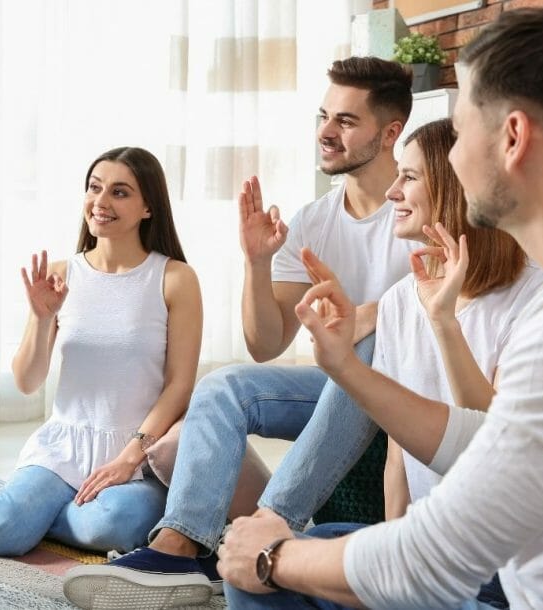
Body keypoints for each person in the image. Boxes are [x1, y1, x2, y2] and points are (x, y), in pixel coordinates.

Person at [218, 5, 543, 608]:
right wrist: (345, 366)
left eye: (458, 131)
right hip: (512, 575)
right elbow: (489, 443)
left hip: (511, 590)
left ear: (512, 138)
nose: (450, 160)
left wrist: (274, 554)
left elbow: (435, 561)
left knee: (264, 574)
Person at [63, 56, 416, 610]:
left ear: (390, 132)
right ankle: (181, 549)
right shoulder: (313, 219)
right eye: (323, 115)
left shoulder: (422, 204)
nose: (325, 131)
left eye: (345, 121)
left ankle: (271, 524)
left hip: (405, 390)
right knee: (224, 386)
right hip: (334, 386)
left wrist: (368, 316)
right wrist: (256, 263)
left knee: (371, 345)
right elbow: (265, 343)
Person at [224, 118, 543, 609]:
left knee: (278, 561)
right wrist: (389, 558)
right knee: (255, 568)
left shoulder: (534, 297)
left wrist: (444, 322)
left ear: (455, 186)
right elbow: (400, 451)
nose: (393, 191)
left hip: (503, 562)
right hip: (425, 545)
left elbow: (492, 446)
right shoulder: (400, 300)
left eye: (410, 177)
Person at [0, 147, 202, 557]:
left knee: (113, 525)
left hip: (138, 454)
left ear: (148, 206)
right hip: (63, 448)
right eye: (94, 188)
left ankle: (31, 513)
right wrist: (42, 318)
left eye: (119, 192)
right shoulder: (63, 275)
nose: (100, 202)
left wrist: (129, 457)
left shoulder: (175, 278)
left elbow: (179, 386)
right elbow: (27, 382)